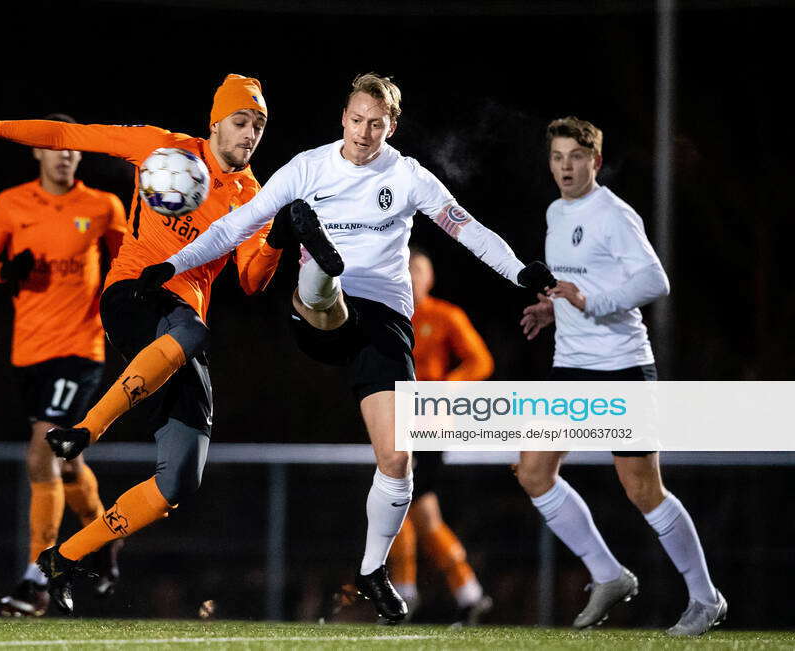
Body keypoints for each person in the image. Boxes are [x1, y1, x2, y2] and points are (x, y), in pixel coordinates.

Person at [136, 73, 555, 623]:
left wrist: (521, 271)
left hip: (383, 323)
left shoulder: (407, 176)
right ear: (343, 118)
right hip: (321, 314)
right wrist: (171, 264)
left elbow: (466, 228)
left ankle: (372, 571)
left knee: (397, 457)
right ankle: (321, 263)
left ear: (391, 126)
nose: (363, 132)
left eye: (375, 124)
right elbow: (234, 227)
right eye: (356, 120)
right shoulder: (309, 167)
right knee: (322, 290)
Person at [0, 75, 283, 615]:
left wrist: (280, 238)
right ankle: (85, 431)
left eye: (259, 125)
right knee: (192, 331)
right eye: (241, 121)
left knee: (180, 478)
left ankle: (64, 559)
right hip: (133, 297)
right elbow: (66, 136)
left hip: (178, 333)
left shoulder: (254, 196)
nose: (250, 134)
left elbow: (251, 280)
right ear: (215, 121)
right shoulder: (161, 146)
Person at [517, 116, 726, 636]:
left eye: (576, 157)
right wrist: (553, 309)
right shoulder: (553, 212)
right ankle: (609, 575)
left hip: (621, 366)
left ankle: (706, 598)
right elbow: (575, 282)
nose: (566, 166)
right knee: (533, 471)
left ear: (596, 162)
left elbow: (655, 280)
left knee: (641, 489)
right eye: (558, 157)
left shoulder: (613, 213)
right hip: (571, 366)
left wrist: (591, 302)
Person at [0, 113, 128, 616]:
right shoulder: (11, 204)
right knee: (67, 461)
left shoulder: (102, 206)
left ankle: (38, 577)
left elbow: (125, 266)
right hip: (29, 353)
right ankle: (102, 539)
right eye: (54, 147)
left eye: (72, 148)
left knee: (41, 455)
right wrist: (6, 271)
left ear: (79, 154)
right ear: (37, 152)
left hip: (80, 350)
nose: (65, 154)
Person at [384, 247, 494, 624]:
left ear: (429, 278)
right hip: (395, 417)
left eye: (418, 269)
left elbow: (481, 360)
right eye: (406, 269)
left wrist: (448, 386)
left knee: (404, 505)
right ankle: (467, 593)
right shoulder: (388, 316)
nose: (412, 275)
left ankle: (408, 594)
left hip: (429, 419)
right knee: (418, 511)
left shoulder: (445, 316)